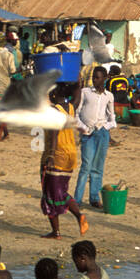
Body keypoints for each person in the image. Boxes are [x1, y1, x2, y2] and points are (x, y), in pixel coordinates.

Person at [40, 83, 87, 239]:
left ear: (52, 95)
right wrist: (77, 81)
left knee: (50, 194)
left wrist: (51, 155)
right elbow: (78, 96)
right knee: (61, 191)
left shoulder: (54, 111)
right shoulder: (70, 107)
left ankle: (56, 231)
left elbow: (54, 133)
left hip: (57, 155)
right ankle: (78, 216)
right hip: (70, 154)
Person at [73, 66, 117, 208]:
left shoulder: (109, 96)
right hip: (88, 134)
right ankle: (77, 199)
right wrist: (84, 128)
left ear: (105, 78)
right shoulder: (85, 92)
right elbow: (76, 113)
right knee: (86, 166)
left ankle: (94, 197)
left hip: (102, 133)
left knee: (98, 167)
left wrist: (106, 127)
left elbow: (112, 117)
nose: (95, 80)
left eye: (98, 77)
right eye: (94, 77)